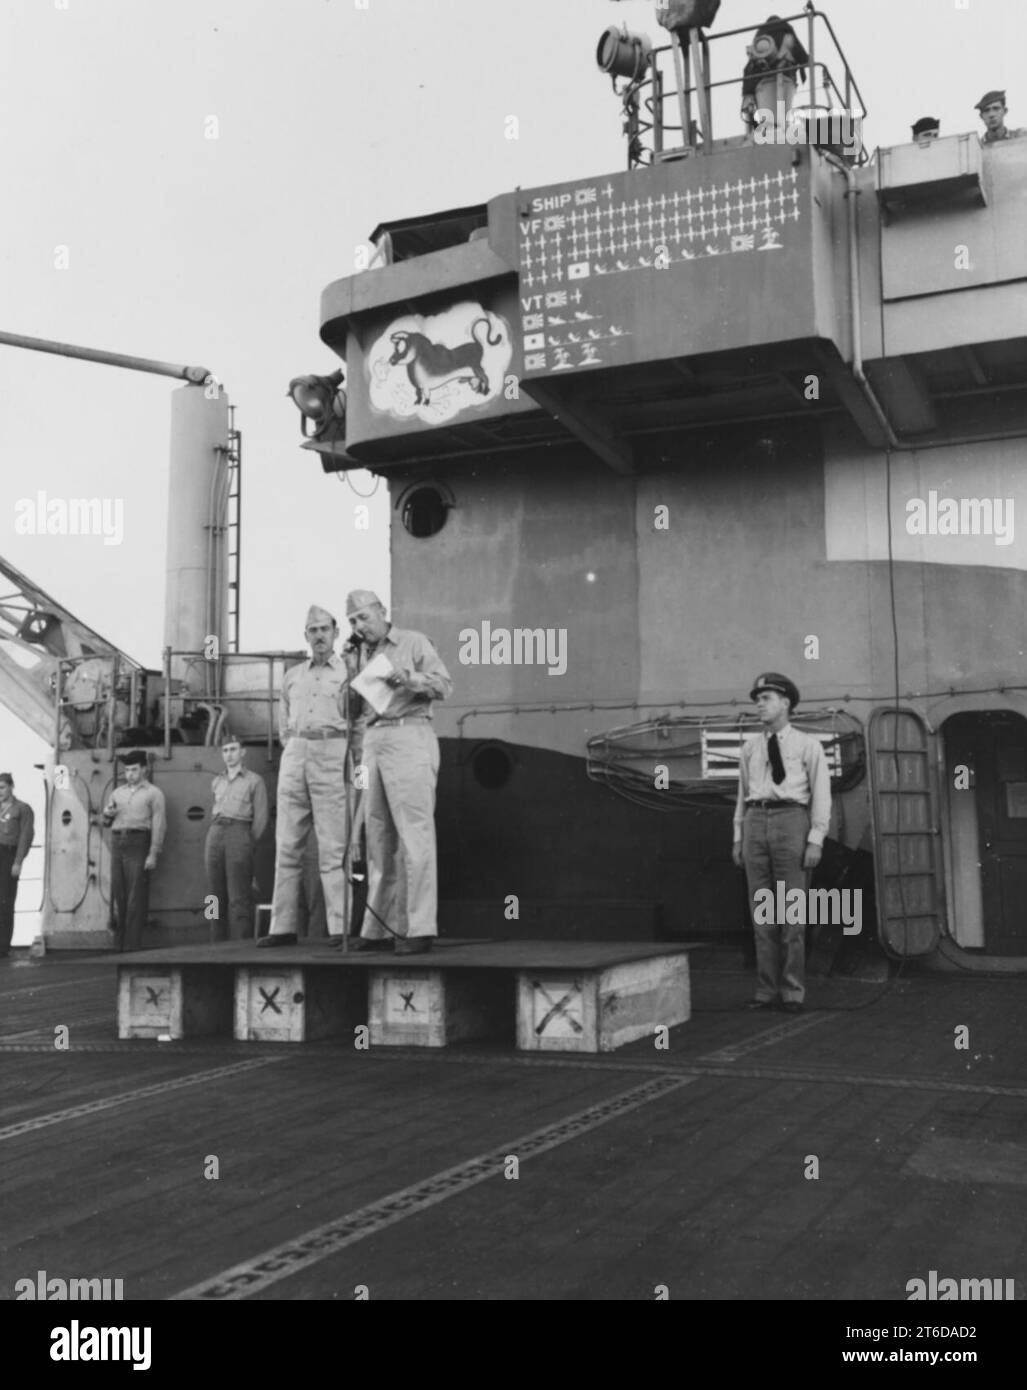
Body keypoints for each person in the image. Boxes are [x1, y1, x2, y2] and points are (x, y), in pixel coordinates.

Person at [344, 590, 452, 955]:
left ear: (381, 611)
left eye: (363, 617)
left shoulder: (413, 642)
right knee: (378, 837)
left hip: (409, 734)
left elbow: (444, 685)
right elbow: (351, 710)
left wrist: (407, 678)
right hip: (372, 741)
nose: (359, 625)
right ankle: (378, 928)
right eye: (353, 621)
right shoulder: (359, 654)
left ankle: (419, 928)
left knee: (414, 834)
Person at [732, 673, 831, 1013]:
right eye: (757, 699)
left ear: (785, 703)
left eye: (767, 698)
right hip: (756, 821)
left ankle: (792, 991)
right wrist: (738, 837)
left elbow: (821, 795)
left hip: (792, 821)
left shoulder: (808, 746)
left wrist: (815, 839)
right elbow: (742, 796)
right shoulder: (749, 748)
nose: (759, 704)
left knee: (792, 914)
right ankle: (765, 990)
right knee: (763, 914)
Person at [259, 604, 355, 947]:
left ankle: (338, 927)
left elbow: (358, 728)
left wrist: (357, 779)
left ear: (335, 633)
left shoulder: (348, 674)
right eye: (312, 630)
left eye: (324, 629)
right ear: (305, 635)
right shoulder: (293, 676)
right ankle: (281, 927)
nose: (318, 635)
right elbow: (283, 721)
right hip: (296, 753)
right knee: (287, 844)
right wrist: (294, 748)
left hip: (332, 752)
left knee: (333, 848)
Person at [205, 733, 269, 942]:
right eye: (225, 750)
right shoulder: (217, 781)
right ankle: (215, 943)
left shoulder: (254, 781)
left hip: (239, 832)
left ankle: (242, 945)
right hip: (215, 833)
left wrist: (247, 842)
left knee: (239, 896)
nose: (229, 755)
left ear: (242, 752)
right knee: (213, 895)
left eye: (233, 749)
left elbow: (260, 818)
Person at [103, 750, 166, 952]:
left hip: (139, 842)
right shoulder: (117, 793)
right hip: (117, 841)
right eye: (127, 770)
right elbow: (106, 823)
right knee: (119, 895)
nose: (129, 774)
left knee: (135, 897)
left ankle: (132, 947)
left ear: (144, 770)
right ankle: (119, 945)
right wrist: (106, 814)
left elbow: (159, 824)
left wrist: (153, 852)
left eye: (134, 769)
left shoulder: (154, 793)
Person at [741, 15, 808, 140]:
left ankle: (769, 133)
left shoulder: (759, 40)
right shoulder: (789, 37)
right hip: (787, 80)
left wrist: (748, 93)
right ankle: (782, 131)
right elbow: (804, 58)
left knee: (768, 122)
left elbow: (749, 68)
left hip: (762, 83)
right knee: (782, 119)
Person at [0, 773, 35, 959]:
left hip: (8, 855)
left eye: (3, 787)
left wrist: (18, 861)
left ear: (11, 787)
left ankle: (3, 946)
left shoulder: (22, 809)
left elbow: (26, 837)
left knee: (5, 901)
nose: (0, 792)